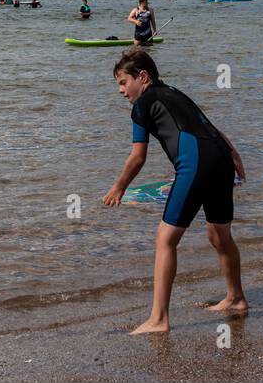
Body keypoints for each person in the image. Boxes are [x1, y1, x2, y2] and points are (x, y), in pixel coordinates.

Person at [103, 49, 247, 334]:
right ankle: (236, 298)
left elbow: (138, 156)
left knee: (165, 239)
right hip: (221, 159)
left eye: (123, 82)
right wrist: (235, 156)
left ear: (142, 77)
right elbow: (208, 125)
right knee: (219, 235)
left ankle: (158, 319)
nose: (121, 90)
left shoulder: (142, 105)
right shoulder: (174, 92)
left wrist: (119, 187)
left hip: (197, 165)